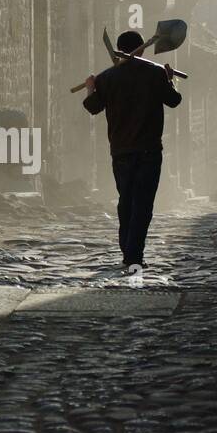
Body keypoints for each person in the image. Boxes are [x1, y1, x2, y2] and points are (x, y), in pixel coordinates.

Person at [82, 30, 182, 272]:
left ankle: (128, 250)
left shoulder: (107, 78)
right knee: (142, 204)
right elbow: (174, 100)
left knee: (126, 201)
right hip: (149, 150)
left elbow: (92, 106)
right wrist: (169, 79)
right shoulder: (155, 73)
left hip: (120, 151)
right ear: (142, 49)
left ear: (117, 48)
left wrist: (89, 87)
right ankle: (133, 254)